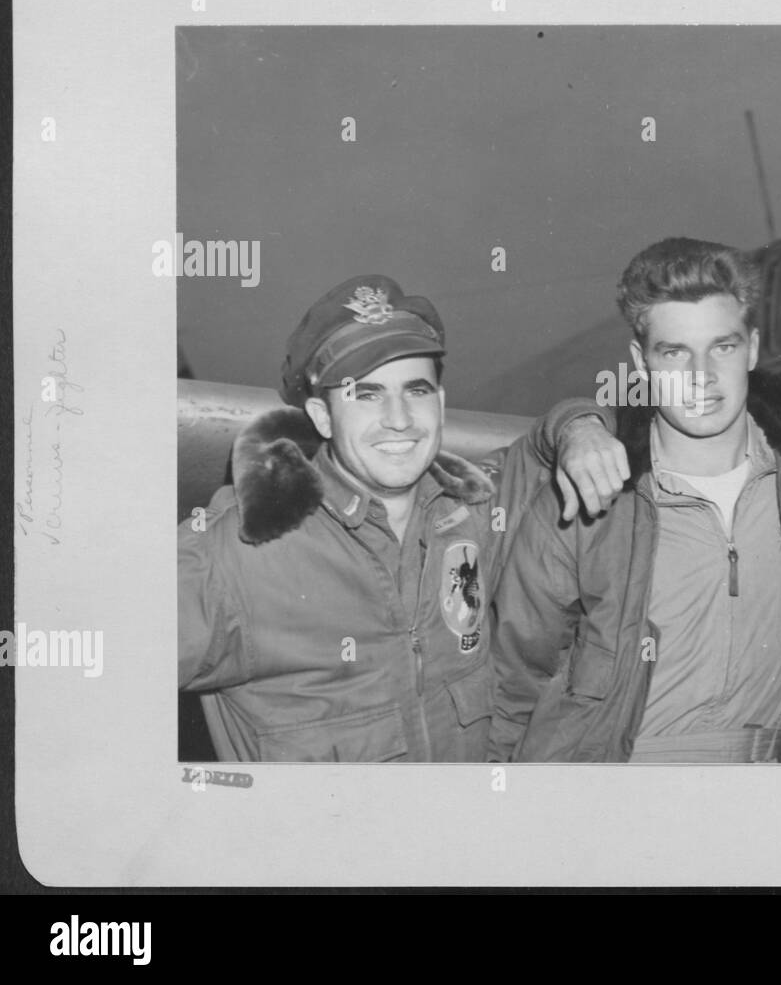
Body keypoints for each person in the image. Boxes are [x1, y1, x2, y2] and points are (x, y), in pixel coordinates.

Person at [179, 274, 627, 762]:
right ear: (322, 416)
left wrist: (581, 426)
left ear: (438, 402)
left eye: (415, 391)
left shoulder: (472, 508)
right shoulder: (236, 555)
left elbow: (541, 448)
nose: (398, 418)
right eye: (366, 394)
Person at [489, 238, 781, 763]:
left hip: (767, 796)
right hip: (613, 797)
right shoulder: (587, 499)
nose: (702, 376)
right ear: (640, 361)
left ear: (754, 349)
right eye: (675, 352)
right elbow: (514, 683)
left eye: (723, 347)